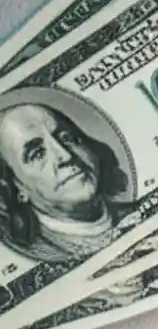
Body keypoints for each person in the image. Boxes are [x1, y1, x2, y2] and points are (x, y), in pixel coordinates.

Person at [0, 103, 131, 263]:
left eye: (67, 138)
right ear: (17, 187)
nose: (66, 155)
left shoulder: (137, 212)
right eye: (37, 154)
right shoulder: (38, 256)